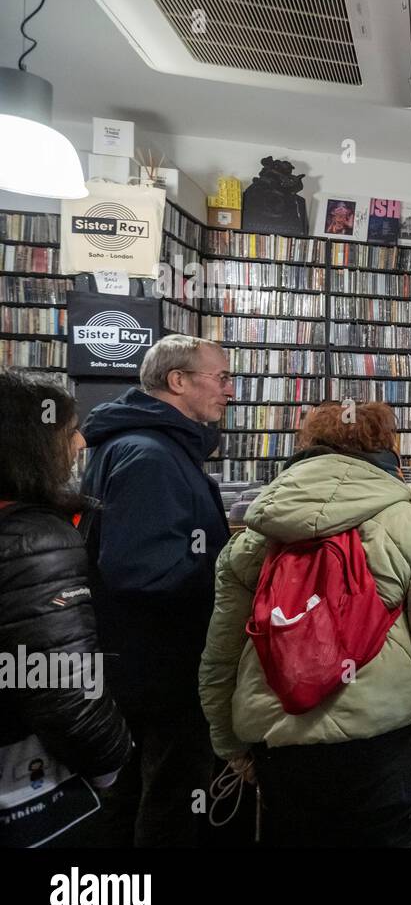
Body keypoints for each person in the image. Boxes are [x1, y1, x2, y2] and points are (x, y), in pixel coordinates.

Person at [199, 402, 411, 847]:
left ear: (306, 447)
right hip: (382, 737)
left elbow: (221, 652)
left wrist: (227, 740)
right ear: (386, 448)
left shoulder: (254, 535)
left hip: (280, 738)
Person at [78, 335, 233, 846]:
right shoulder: (148, 453)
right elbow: (139, 569)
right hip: (162, 664)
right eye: (221, 378)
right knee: (168, 794)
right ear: (178, 381)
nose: (229, 391)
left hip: (144, 659)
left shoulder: (145, 443)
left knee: (137, 792)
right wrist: (227, 572)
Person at [0, 370, 133, 847]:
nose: (79, 442)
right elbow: (63, 683)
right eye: (68, 429)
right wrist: (112, 764)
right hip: (29, 790)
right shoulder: (35, 540)